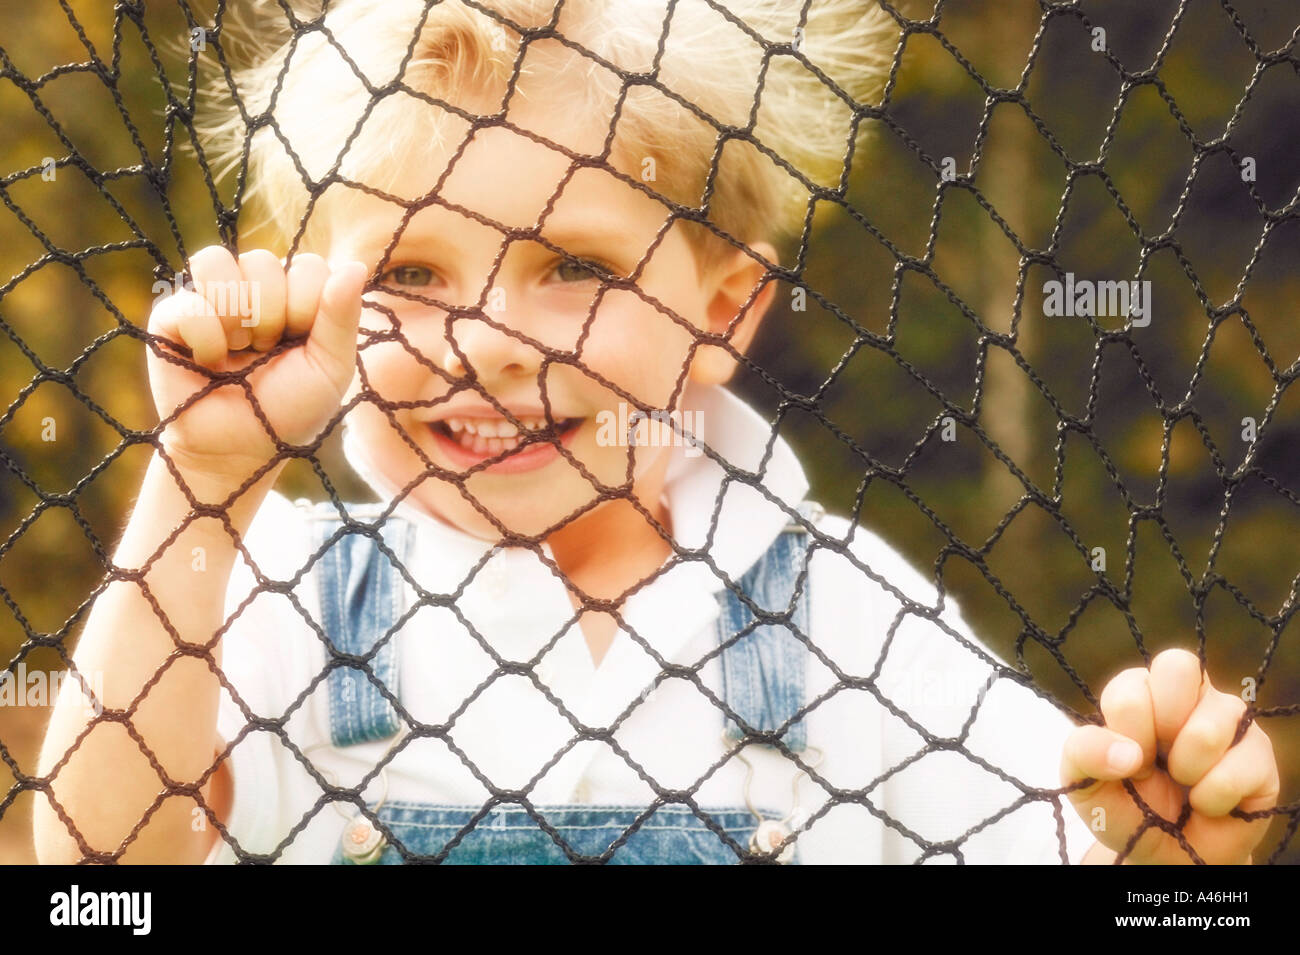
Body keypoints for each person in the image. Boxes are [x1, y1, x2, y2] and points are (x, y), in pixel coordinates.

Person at [34, 0, 1278, 865]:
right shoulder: (279, 594)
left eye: (573, 265)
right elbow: (100, 882)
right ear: (322, 299)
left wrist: (1157, 855)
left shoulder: (843, 619)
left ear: (724, 310)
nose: (490, 341)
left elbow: (1057, 843)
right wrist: (200, 484)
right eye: (410, 273)